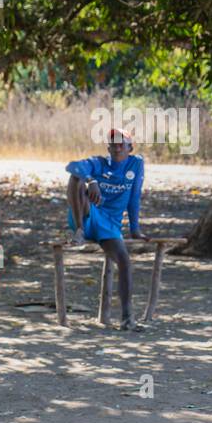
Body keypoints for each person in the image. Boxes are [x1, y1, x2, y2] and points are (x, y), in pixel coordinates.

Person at [66, 127, 148, 330]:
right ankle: (78, 231)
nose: (117, 146)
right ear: (108, 147)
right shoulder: (99, 163)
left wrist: (135, 229)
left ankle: (128, 318)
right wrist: (91, 180)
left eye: (122, 143)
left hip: (110, 224)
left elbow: (134, 197)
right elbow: (73, 166)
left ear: (130, 147)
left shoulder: (135, 164)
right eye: (113, 143)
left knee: (124, 262)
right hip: (87, 216)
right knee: (75, 179)